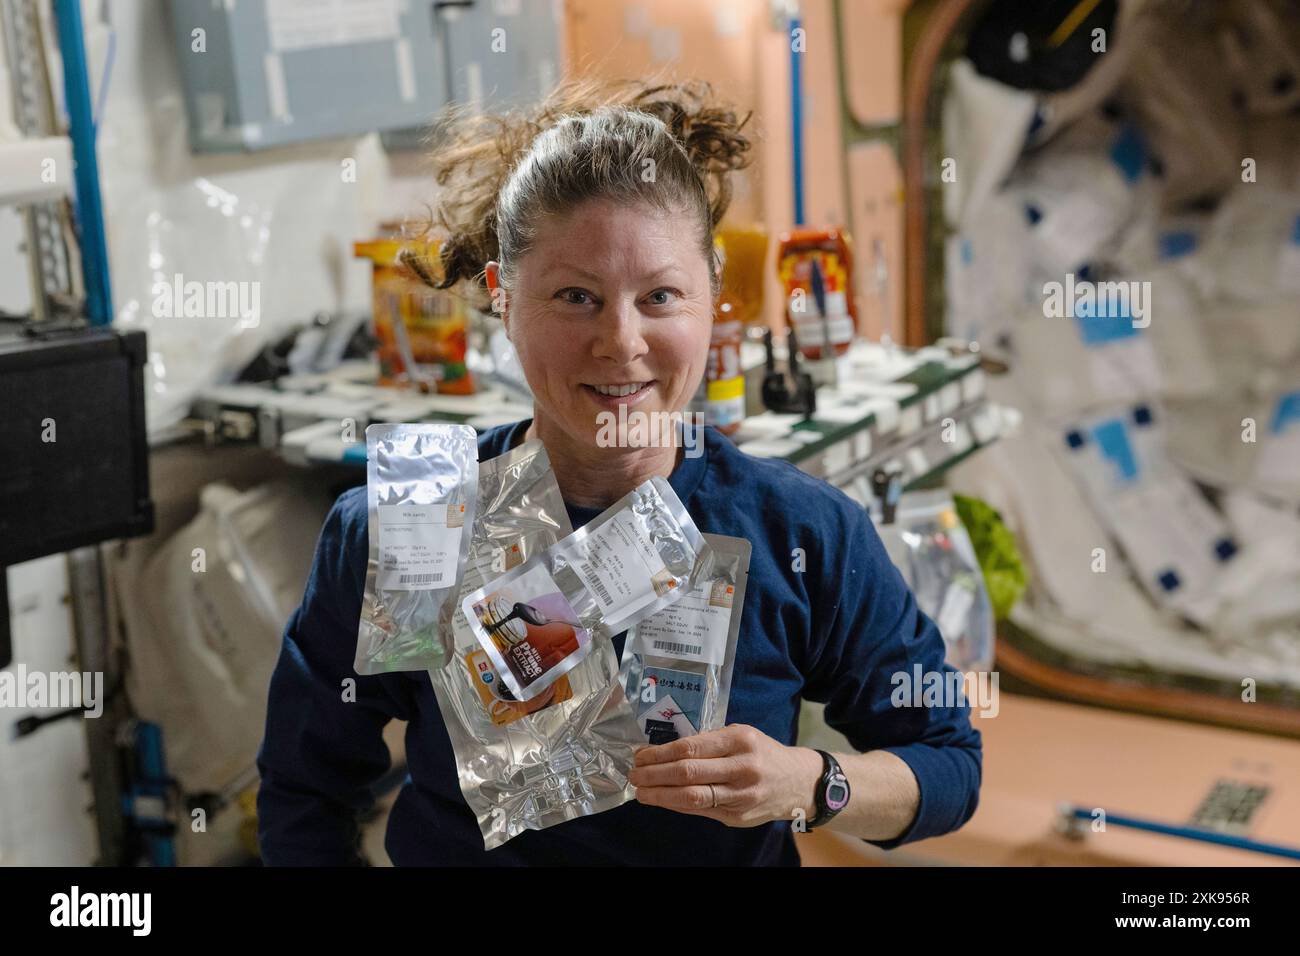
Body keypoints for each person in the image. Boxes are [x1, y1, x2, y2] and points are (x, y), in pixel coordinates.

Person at [257, 78, 981, 866]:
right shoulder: (413, 524)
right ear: (502, 297)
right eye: (576, 297)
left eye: (661, 296)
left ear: (713, 296)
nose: (622, 342)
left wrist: (811, 783)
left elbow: (947, 764)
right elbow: (306, 788)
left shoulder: (802, 533)